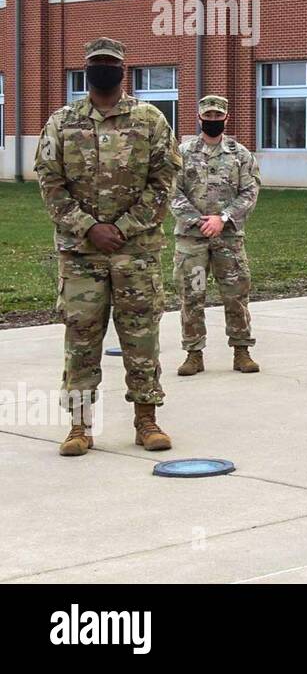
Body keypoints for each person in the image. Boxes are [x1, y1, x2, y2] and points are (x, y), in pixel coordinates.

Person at [34, 38, 181, 456]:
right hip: (81, 255)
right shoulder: (62, 122)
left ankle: (146, 420)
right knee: (81, 338)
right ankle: (79, 427)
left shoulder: (150, 119)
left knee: (141, 337)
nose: (103, 68)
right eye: (96, 62)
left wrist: (123, 227)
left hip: (135, 252)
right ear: (86, 69)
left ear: (123, 69)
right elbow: (50, 181)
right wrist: (88, 228)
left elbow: (163, 180)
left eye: (110, 63)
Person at [171, 94, 262, 376]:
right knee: (192, 295)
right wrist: (200, 221)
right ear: (199, 118)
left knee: (236, 294)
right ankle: (193, 353)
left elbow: (250, 191)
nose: (212, 121)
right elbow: (172, 192)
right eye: (207, 116)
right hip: (192, 239)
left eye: (217, 116)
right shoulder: (182, 153)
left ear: (226, 118)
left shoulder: (240, 154)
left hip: (228, 239)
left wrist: (223, 219)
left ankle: (241, 350)